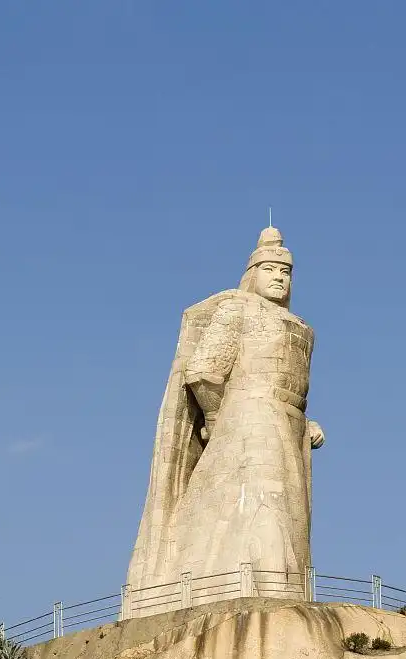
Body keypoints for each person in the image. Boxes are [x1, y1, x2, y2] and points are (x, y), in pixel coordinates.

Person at [126, 227, 324, 610]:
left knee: (288, 510)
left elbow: (289, 385)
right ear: (253, 273)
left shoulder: (302, 328)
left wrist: (306, 421)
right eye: (269, 269)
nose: (279, 278)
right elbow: (203, 370)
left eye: (286, 272)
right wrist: (218, 417)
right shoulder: (237, 308)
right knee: (265, 502)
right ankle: (258, 589)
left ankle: (275, 590)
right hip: (249, 416)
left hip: (287, 423)